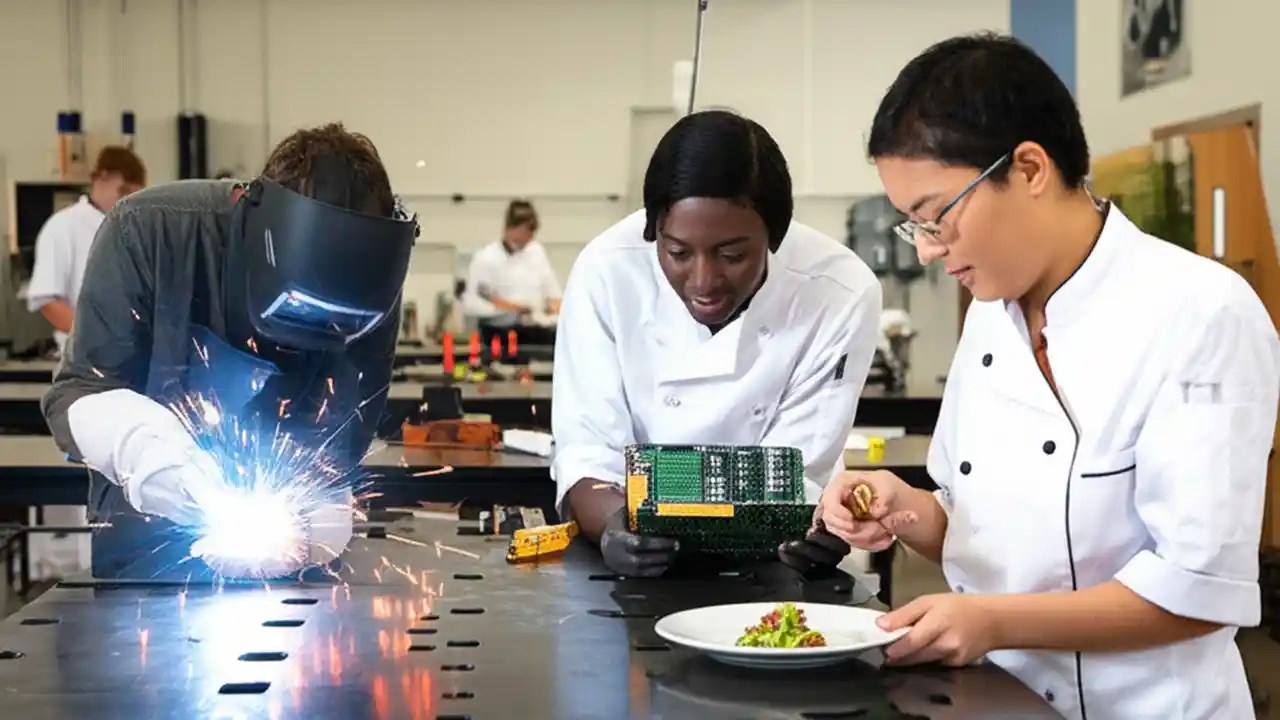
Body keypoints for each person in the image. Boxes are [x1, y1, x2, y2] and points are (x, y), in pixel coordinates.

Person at [818, 34, 1280, 719]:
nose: (932, 250)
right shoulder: (991, 312)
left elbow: (1196, 592)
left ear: (1030, 168)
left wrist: (994, 622)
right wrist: (905, 509)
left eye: (938, 215)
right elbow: (989, 531)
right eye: (914, 226)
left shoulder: (1200, 313)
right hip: (999, 699)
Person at [41, 123, 418, 580]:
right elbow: (78, 394)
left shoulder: (372, 281)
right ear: (248, 212)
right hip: (148, 546)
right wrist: (155, 459)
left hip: (292, 562)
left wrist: (321, 520)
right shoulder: (149, 230)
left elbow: (344, 439)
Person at [552, 110, 883, 578]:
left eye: (732, 255)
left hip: (768, 565)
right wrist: (611, 525)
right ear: (653, 233)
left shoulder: (839, 290)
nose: (703, 282)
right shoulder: (607, 271)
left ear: (776, 235)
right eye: (678, 253)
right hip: (633, 564)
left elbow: (798, 470)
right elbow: (587, 446)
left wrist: (808, 528)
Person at [27, 146, 147, 354]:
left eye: (134, 196)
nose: (128, 202)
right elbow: (48, 300)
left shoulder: (138, 230)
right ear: (101, 178)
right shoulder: (63, 226)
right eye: (123, 191)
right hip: (83, 358)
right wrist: (95, 337)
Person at [463, 199, 561, 347]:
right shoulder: (486, 258)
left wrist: (556, 305)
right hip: (499, 333)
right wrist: (512, 309)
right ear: (509, 228)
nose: (527, 238)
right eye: (523, 232)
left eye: (530, 233)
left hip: (535, 331)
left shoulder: (536, 252)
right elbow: (472, 304)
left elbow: (553, 292)